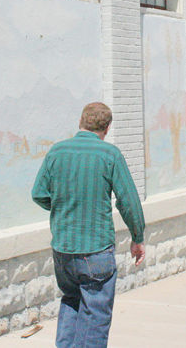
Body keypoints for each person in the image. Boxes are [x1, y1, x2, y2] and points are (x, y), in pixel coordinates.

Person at [32, 102, 146, 348]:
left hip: (63, 249)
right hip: (96, 249)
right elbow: (129, 202)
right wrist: (137, 237)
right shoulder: (109, 154)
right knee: (95, 313)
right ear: (107, 128)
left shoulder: (56, 152)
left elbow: (39, 193)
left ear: (80, 122)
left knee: (71, 300)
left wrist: (64, 209)